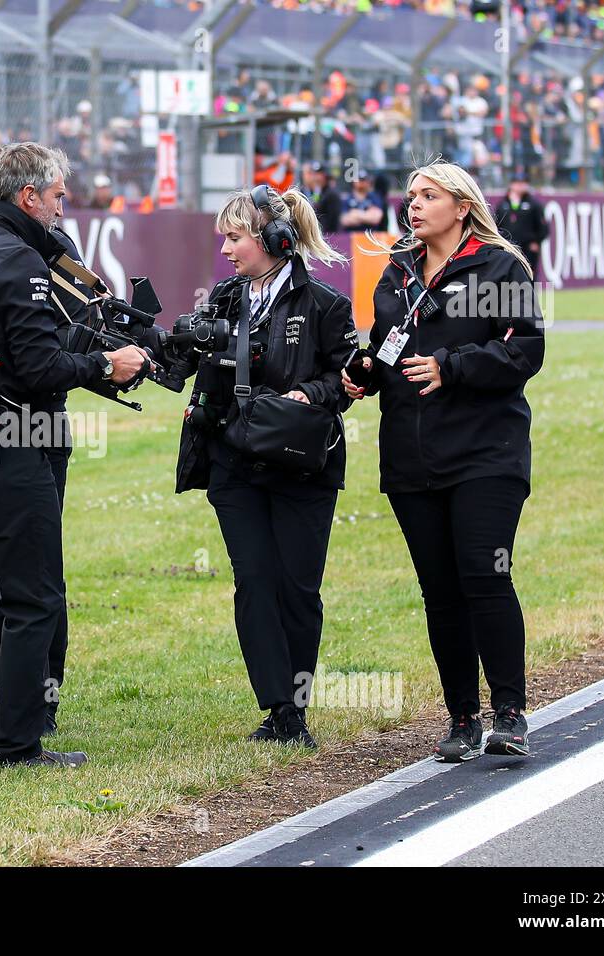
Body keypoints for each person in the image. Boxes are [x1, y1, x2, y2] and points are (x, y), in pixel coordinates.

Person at [0, 143, 148, 766]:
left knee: (15, 580)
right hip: (1, 439)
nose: (61, 205)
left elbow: (14, 344)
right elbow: (40, 367)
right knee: (35, 594)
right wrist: (108, 362)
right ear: (28, 196)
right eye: (56, 195)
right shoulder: (18, 259)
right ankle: (18, 742)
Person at [345, 161, 544, 763]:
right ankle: (462, 717)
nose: (414, 205)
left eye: (429, 195)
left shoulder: (498, 266)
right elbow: (388, 346)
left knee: (485, 576)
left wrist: (452, 366)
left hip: (487, 452)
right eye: (410, 196)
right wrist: (361, 375)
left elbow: (525, 350)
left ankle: (509, 712)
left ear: (461, 206)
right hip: (411, 455)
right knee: (441, 592)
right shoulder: (397, 271)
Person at [174, 186, 355, 747]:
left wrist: (308, 395)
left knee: (297, 589)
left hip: (302, 464)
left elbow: (345, 378)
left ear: (276, 239)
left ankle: (294, 707)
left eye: (235, 237)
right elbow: (185, 358)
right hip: (235, 463)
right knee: (253, 583)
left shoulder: (326, 305)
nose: (226, 249)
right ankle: (279, 707)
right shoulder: (224, 299)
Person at [493, 173, 548, 276]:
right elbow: (496, 224)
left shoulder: (534, 204)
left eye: (523, 183)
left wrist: (536, 241)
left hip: (528, 248)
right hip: (508, 246)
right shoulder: (503, 205)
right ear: (512, 185)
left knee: (529, 274)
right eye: (518, 183)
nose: (521, 186)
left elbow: (543, 227)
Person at [338, 168, 385, 232]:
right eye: (359, 180)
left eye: (364, 180)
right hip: (350, 237)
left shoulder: (375, 198)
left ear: (368, 182)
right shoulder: (346, 199)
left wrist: (355, 213)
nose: (361, 182)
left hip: (371, 236)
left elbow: (376, 219)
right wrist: (368, 215)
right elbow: (344, 221)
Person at [301, 161, 341, 233]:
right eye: (314, 174)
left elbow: (332, 221)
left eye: (319, 174)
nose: (316, 177)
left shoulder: (331, 194)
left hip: (328, 236)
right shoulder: (313, 191)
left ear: (325, 176)